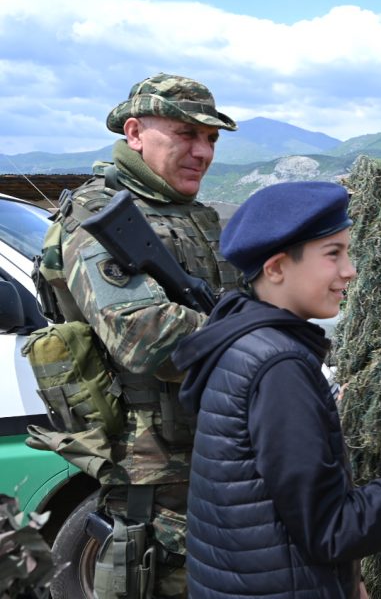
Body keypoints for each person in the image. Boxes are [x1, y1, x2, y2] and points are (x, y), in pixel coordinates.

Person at [172, 181, 381, 599]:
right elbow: (333, 530)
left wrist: (347, 580)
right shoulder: (280, 366)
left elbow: (288, 512)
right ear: (275, 268)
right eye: (333, 254)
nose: (350, 270)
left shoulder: (242, 340)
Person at [31, 73, 241, 597]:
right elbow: (148, 339)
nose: (202, 151)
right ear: (135, 132)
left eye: (211, 139)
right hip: (155, 477)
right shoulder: (98, 218)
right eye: (185, 134)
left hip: (213, 453)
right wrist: (262, 338)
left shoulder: (193, 215)